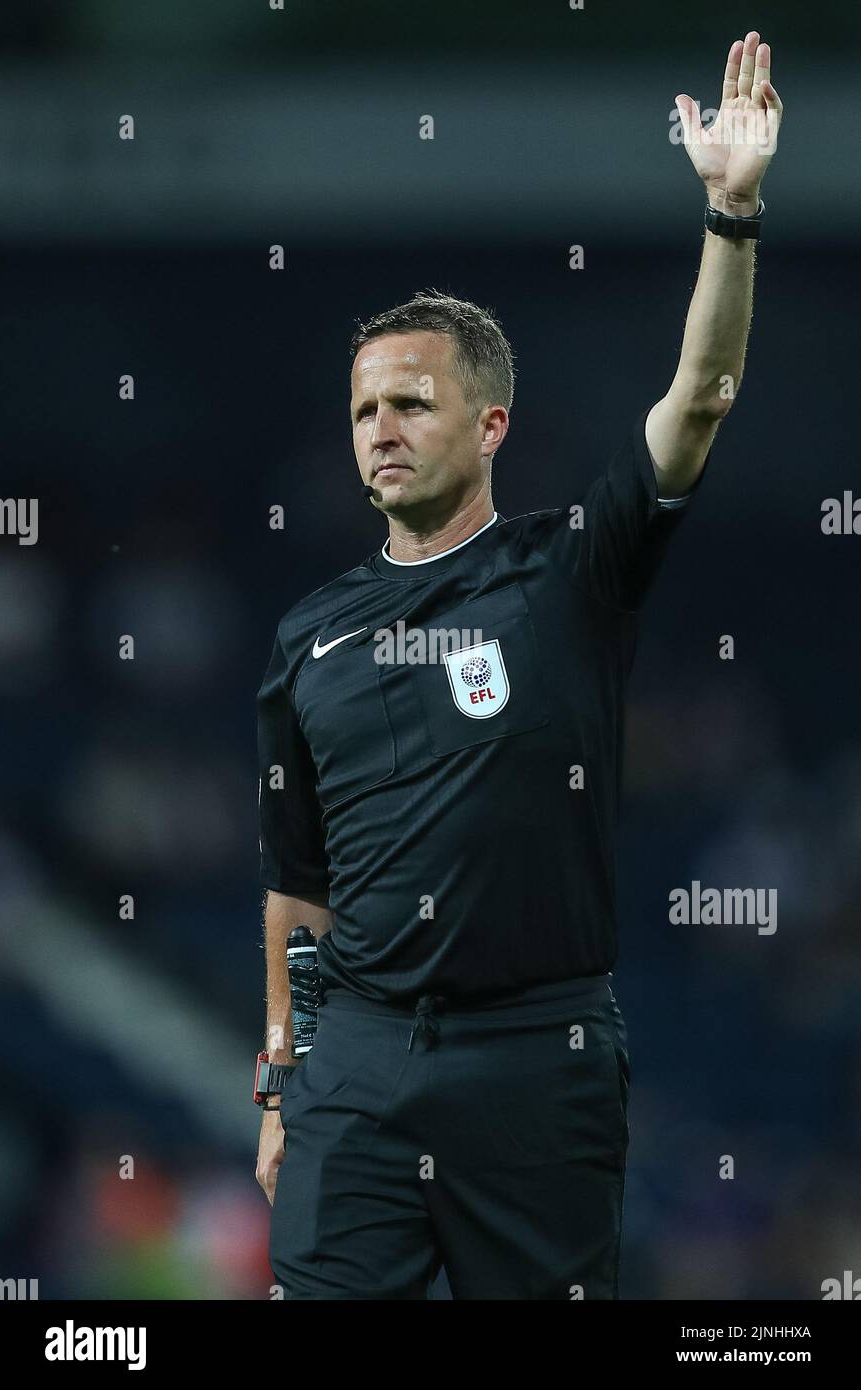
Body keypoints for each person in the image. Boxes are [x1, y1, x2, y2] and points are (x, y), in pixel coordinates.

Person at [254, 31, 782, 1299]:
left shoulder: (569, 570)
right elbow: (295, 888)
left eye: (412, 403)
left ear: (489, 422)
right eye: (363, 410)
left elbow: (698, 394)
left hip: (535, 1059)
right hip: (357, 1073)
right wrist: (281, 1076)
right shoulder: (304, 635)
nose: (380, 428)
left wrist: (731, 210)